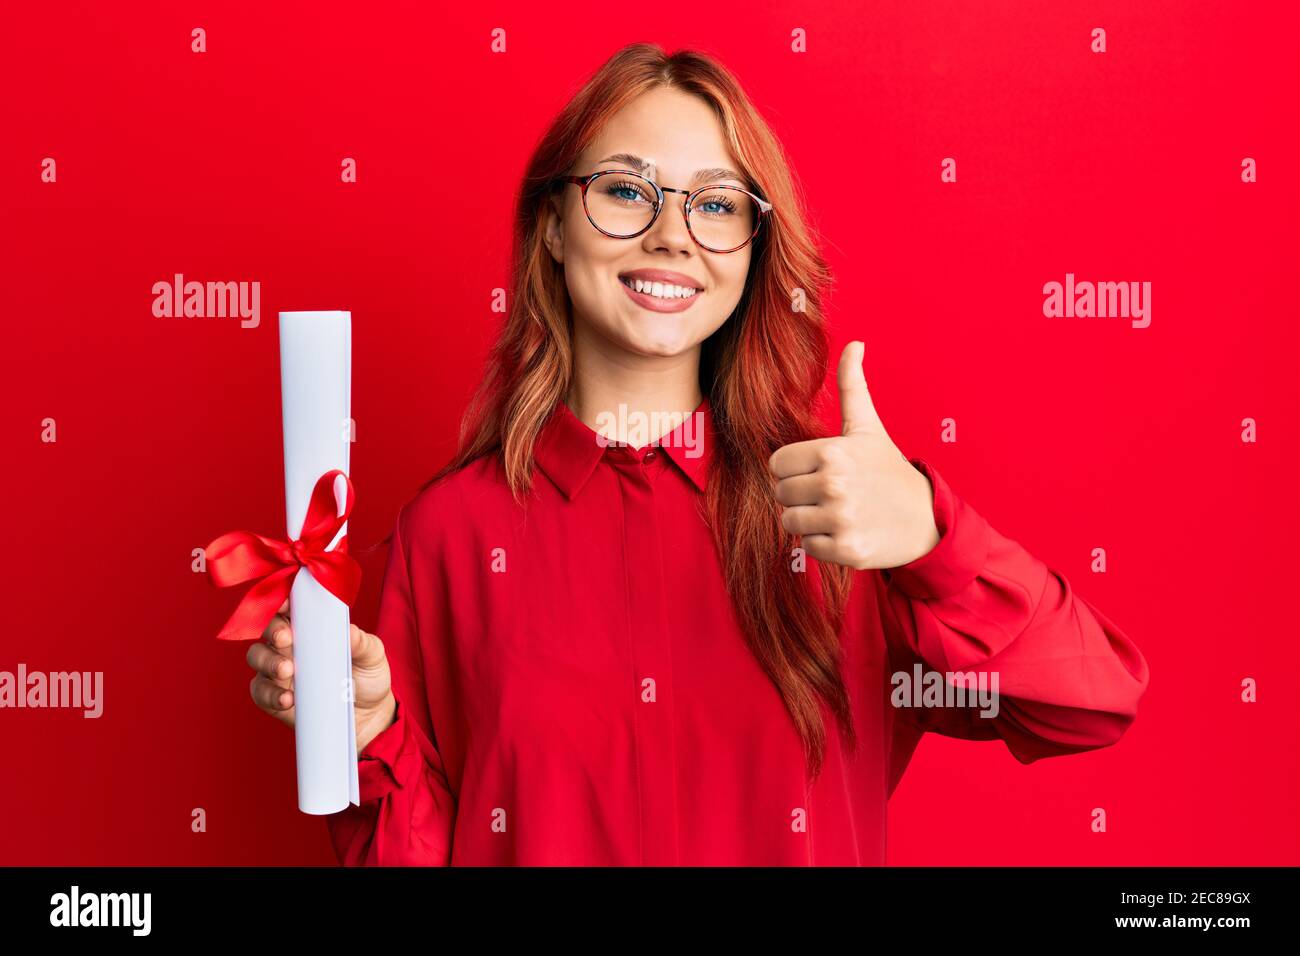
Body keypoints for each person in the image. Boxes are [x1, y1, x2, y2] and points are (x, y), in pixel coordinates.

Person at [246, 43, 1150, 865]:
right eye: (627, 190)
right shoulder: (447, 536)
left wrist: (930, 533)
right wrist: (372, 731)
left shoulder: (845, 517)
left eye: (716, 203)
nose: (672, 232)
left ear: (753, 252)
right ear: (554, 227)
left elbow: (1090, 701)